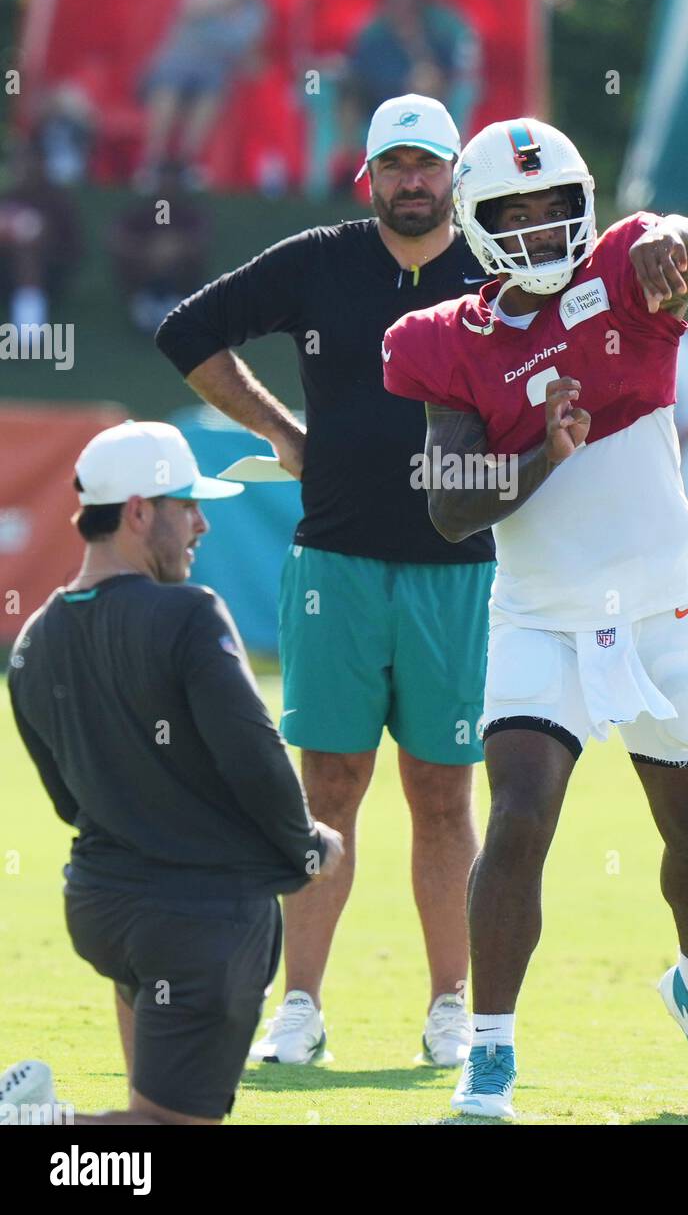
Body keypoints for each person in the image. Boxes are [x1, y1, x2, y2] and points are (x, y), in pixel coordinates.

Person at [382, 117, 688, 1120]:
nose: (542, 227)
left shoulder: (629, 267)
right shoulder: (443, 342)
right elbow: (449, 503)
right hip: (543, 615)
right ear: (478, 223)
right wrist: (541, 457)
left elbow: (682, 242)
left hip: (666, 607)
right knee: (518, 812)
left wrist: (683, 242)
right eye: (517, 211)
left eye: (556, 207)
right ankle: (490, 1051)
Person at [156, 94, 496, 1069]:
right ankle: (297, 1006)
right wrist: (279, 431)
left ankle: (452, 1008)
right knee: (326, 795)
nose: (414, 181)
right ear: (370, 176)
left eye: (430, 164)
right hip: (334, 564)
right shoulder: (321, 260)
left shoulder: (493, 268)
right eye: (396, 165)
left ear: (454, 175)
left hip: (458, 571)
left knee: (443, 798)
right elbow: (189, 331)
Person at [4, 420, 342, 1125]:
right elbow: (254, 752)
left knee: (145, 1126)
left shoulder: (32, 639)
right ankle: (43, 1126)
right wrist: (307, 842)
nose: (202, 524)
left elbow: (70, 800)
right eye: (187, 505)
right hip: (199, 923)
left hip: (103, 911)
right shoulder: (189, 615)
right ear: (137, 511)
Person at [136, 0, 272, 188]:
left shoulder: (259, 10)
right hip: (176, 62)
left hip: (216, 72)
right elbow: (193, 9)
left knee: (213, 85)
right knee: (172, 81)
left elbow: (249, 57)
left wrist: (258, 67)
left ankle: (185, 163)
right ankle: (153, 161)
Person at [349, 0, 481, 135]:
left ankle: (421, 143)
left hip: (417, 106)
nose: (401, 8)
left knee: (425, 78)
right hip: (373, 102)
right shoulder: (375, 37)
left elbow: (447, 75)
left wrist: (414, 43)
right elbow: (357, 69)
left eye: (406, 0)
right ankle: (345, 159)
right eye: (394, 0)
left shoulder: (437, 33)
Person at [108, 162, 210, 334]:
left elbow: (199, 242)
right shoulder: (140, 212)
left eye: (172, 181)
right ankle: (150, 301)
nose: (167, 187)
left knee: (166, 247)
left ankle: (167, 301)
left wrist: (172, 246)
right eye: (164, 180)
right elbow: (118, 238)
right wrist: (149, 250)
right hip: (141, 275)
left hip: (180, 280)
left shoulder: (190, 214)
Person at [0, 136, 81, 329]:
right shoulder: (8, 198)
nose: (24, 168)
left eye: (29, 161)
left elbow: (73, 250)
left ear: (42, 164)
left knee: (27, 250)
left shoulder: (57, 200)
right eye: (18, 162)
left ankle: (28, 330)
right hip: (5, 271)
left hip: (47, 274)